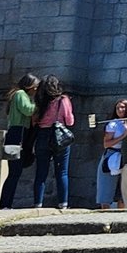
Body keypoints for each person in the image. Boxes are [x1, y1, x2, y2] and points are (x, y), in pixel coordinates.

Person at [32, 75, 76, 210]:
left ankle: (37, 204)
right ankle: (63, 204)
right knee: (61, 172)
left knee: (41, 172)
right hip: (59, 136)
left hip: (42, 135)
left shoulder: (39, 101)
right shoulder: (63, 100)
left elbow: (35, 121)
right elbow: (69, 121)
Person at [1, 73, 39, 207]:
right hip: (18, 132)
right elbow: (28, 110)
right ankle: (5, 204)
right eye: (35, 87)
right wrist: (39, 104)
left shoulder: (21, 95)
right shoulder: (20, 94)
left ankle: (7, 204)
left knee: (15, 173)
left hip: (19, 132)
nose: (36, 90)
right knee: (14, 172)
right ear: (30, 86)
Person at [96, 99, 127, 209]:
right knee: (106, 188)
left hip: (126, 157)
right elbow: (106, 144)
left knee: (123, 192)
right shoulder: (112, 124)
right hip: (112, 156)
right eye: (118, 108)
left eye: (123, 107)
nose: (120, 110)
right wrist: (123, 136)